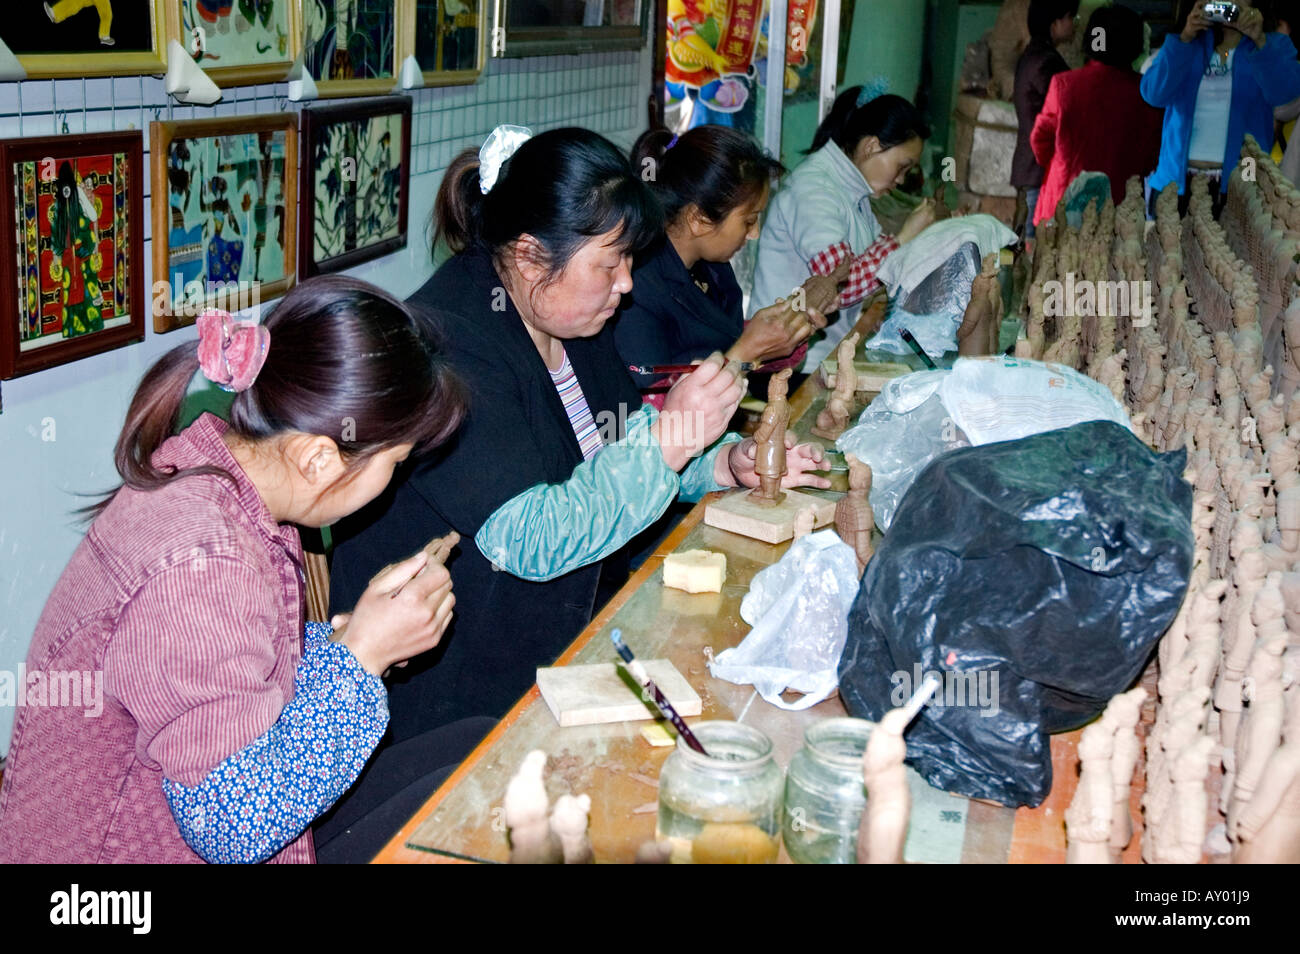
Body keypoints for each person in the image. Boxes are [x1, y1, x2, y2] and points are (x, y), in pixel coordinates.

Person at [328, 126, 829, 772]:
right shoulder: (447, 349)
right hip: (460, 701)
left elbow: (621, 451)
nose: (627, 285)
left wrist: (719, 463)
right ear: (531, 257)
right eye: (610, 264)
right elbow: (533, 539)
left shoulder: (569, 317)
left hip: (574, 638)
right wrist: (673, 439)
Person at [0, 277, 466, 863]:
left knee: (467, 750)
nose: (396, 479)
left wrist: (340, 646)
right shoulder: (203, 563)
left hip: (197, 817)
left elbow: (227, 670)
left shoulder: (223, 477)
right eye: (395, 462)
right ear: (318, 459)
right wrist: (363, 659)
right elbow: (230, 825)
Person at [615, 125, 844, 402]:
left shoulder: (713, 269)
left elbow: (728, 344)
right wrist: (745, 352)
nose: (755, 233)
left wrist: (790, 326)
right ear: (698, 219)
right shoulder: (635, 290)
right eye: (749, 220)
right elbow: (655, 411)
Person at [753, 87, 936, 371]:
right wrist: (903, 238)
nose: (900, 180)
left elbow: (870, 265)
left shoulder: (854, 195)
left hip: (818, 357)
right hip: (788, 366)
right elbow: (839, 286)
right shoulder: (815, 189)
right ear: (871, 146)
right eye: (901, 167)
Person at [1142, 0, 1300, 217]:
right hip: (1174, 183)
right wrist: (1185, 37)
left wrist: (1260, 40)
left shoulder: (1273, 44)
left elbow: (1286, 96)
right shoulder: (1186, 42)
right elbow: (1154, 94)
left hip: (1243, 182)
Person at [1031, 5, 1163, 223]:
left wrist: (1061, 164)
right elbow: (1151, 156)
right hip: (1121, 206)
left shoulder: (1064, 85)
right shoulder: (1146, 93)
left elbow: (1040, 140)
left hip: (1065, 202)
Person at [1011, 0, 1078, 239]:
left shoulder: (1033, 55)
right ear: (1054, 23)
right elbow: (1064, 109)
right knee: (1034, 246)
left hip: (1033, 168)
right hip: (1040, 170)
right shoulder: (1045, 61)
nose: (1074, 24)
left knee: (1029, 244)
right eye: (1070, 18)